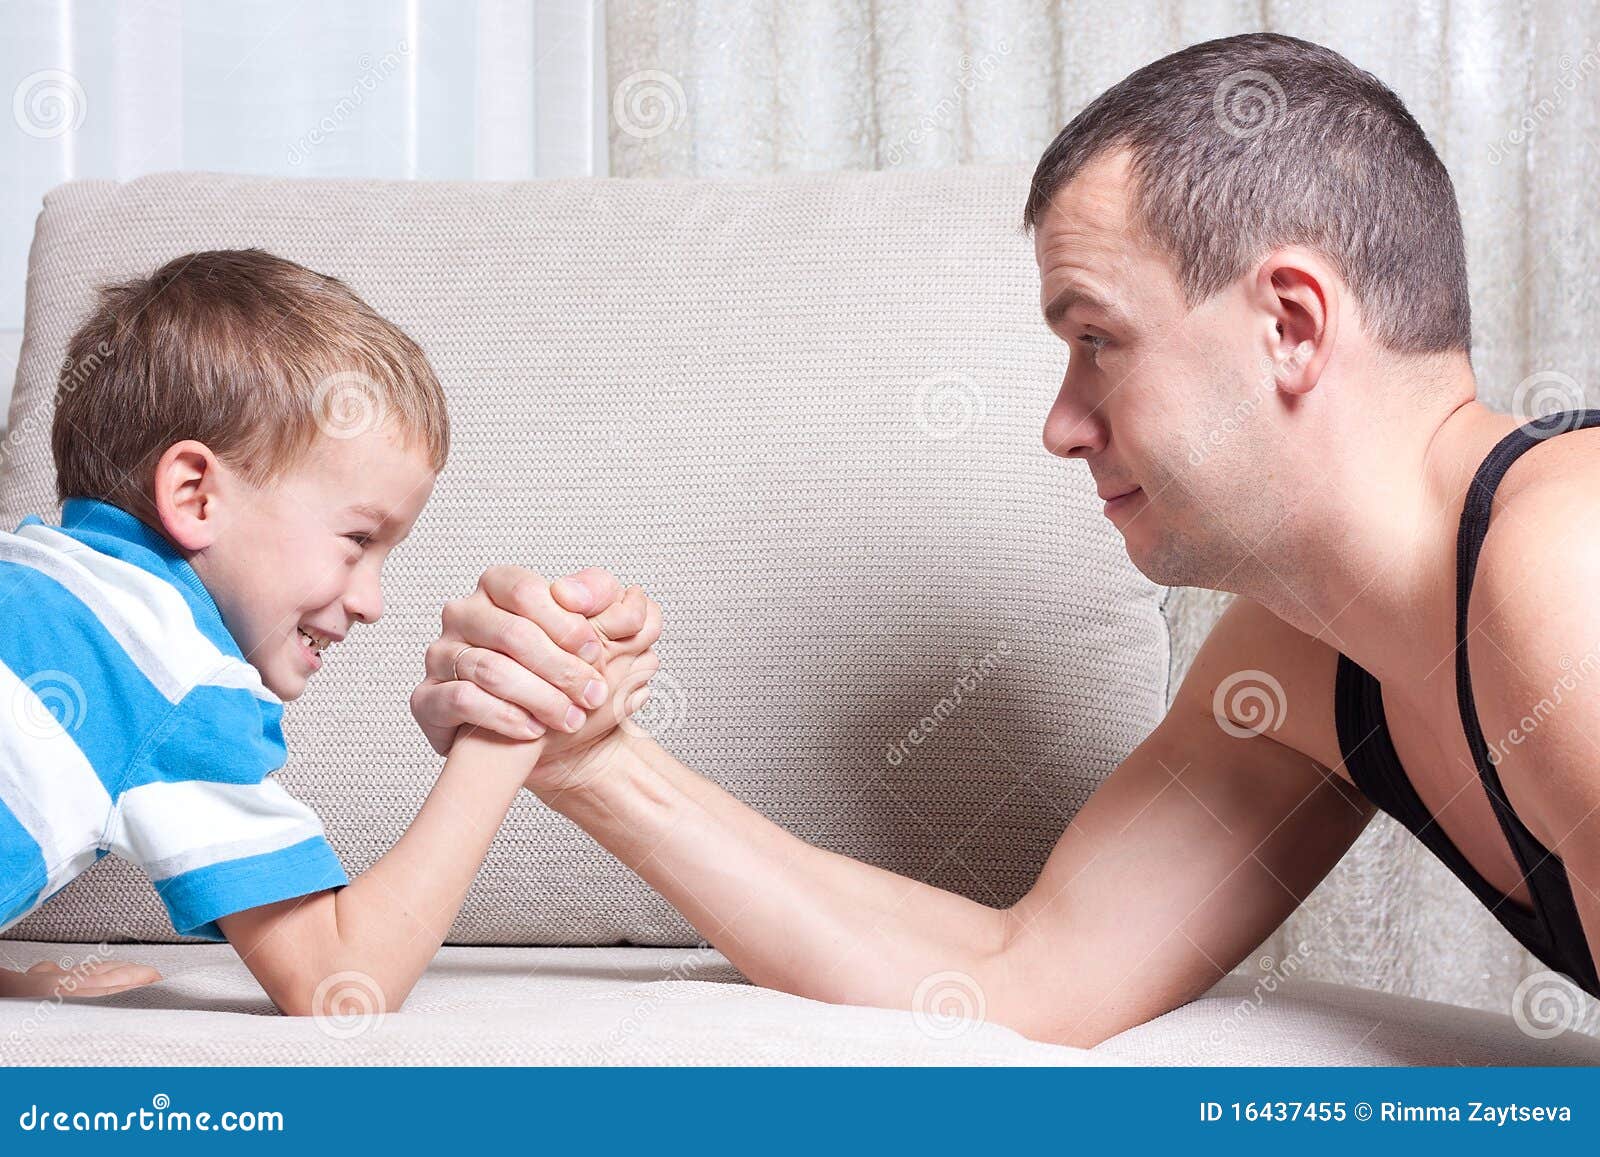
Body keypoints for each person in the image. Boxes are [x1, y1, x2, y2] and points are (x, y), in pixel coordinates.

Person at [410, 31, 1600, 1048]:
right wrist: (591, 759)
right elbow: (1023, 978)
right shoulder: (1296, 663)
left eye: (1097, 339)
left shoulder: (1564, 564)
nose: (1059, 424)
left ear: (1288, 323)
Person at [0, 249, 657, 1012]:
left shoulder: (31, 572)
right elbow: (340, 981)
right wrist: (508, 732)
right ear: (194, 495)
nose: (372, 601)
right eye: (358, 540)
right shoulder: (168, 671)